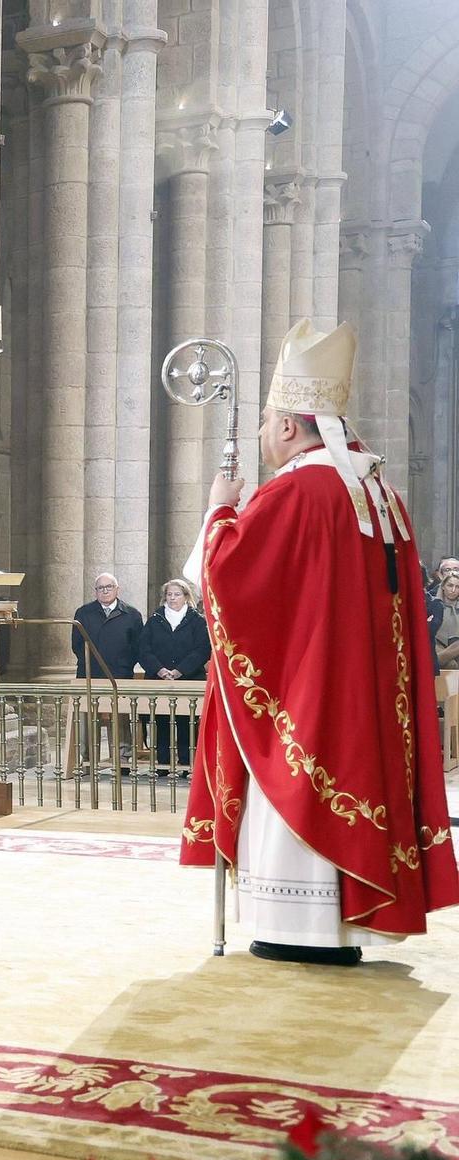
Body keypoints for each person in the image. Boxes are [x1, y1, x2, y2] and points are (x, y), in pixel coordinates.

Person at [181, 318, 459, 965]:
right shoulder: (377, 491)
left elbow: (224, 584)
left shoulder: (300, 491)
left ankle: (297, 928)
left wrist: (222, 509)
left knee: (295, 793)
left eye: (264, 422)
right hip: (366, 701)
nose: (258, 435)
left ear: (286, 426)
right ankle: (350, 923)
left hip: (309, 700)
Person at [136, 578, 210, 776]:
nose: (172, 598)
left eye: (177, 594)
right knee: (161, 722)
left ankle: (187, 765)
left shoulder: (196, 621)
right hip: (159, 679)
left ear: (186, 596)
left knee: (187, 723)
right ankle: (163, 765)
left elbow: (202, 650)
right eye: (169, 594)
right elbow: (144, 650)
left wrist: (180, 671)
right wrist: (160, 670)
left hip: (189, 679)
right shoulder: (155, 619)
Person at [70, 573, 144, 679]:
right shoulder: (83, 613)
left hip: (121, 674)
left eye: (109, 586)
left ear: (117, 589)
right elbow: (77, 644)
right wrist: (90, 662)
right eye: (100, 588)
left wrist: (124, 664)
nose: (105, 591)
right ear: (96, 591)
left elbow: (138, 646)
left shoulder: (132, 614)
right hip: (89, 674)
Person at [429, 572, 459, 671]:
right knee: (451, 664)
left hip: (456, 646)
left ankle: (435, 661)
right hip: (435, 644)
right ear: (443, 586)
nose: (453, 590)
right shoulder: (432, 604)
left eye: (457, 587)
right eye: (450, 585)